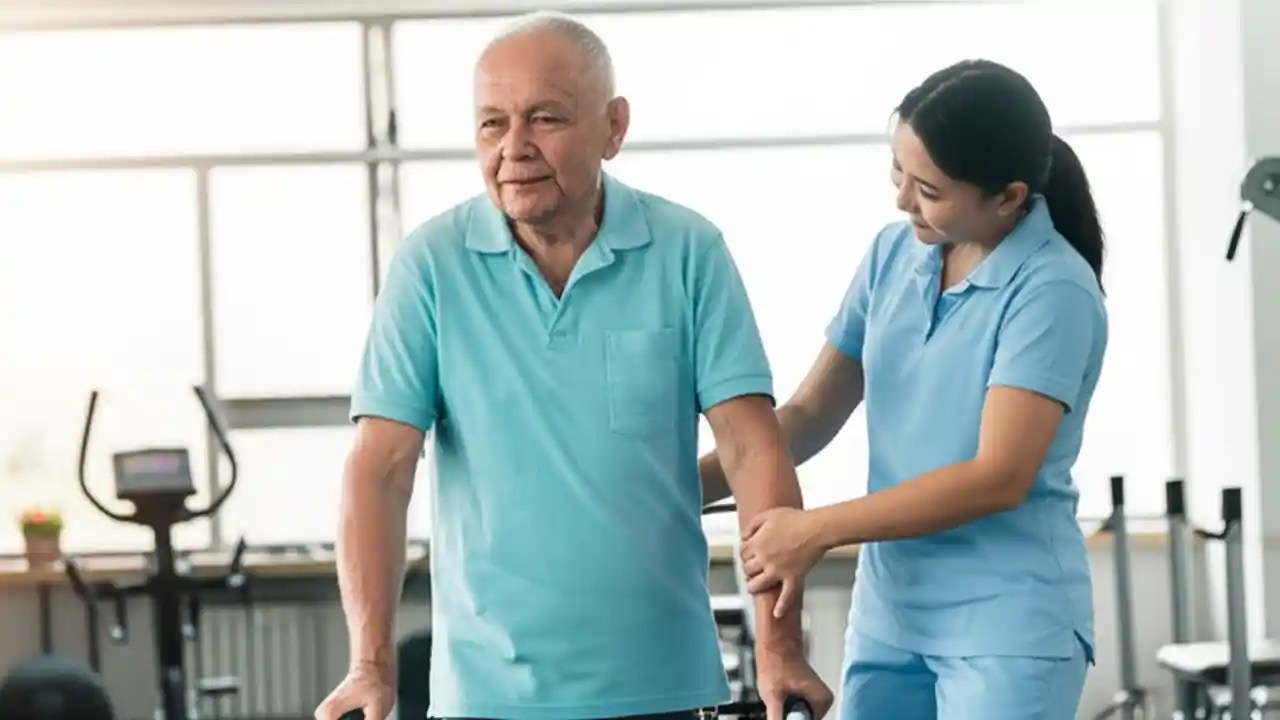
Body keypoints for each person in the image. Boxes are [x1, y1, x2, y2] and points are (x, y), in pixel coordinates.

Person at [314, 11, 832, 720]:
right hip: (487, 694)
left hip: (662, 684)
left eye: (545, 119)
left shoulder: (688, 251)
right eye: (491, 124)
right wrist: (369, 666)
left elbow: (752, 449)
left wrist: (778, 647)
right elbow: (380, 469)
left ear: (613, 127)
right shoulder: (431, 266)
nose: (514, 149)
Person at [699, 59, 1108, 720]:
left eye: (928, 188)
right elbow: (807, 416)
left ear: (1006, 197)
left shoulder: (1052, 289)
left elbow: (996, 476)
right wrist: (675, 490)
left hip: (1004, 627)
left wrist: (817, 530)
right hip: (893, 615)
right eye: (897, 173)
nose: (901, 200)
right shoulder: (894, 255)